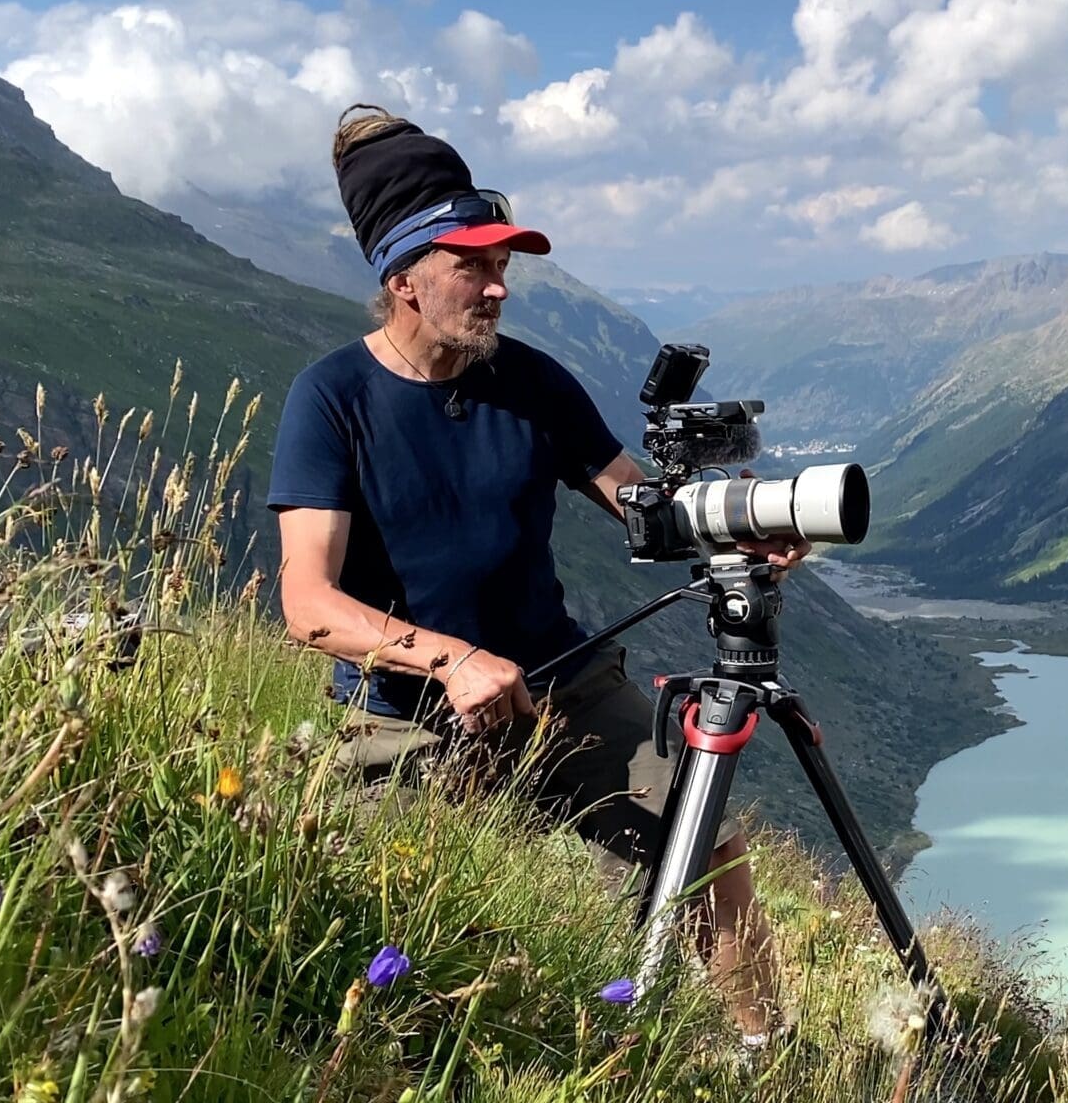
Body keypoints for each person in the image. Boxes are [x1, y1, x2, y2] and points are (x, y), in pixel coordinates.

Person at [266, 104, 800, 1045]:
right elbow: (307, 604)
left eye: (502, 265)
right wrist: (450, 660)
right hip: (403, 720)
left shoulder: (532, 379)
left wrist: (742, 529)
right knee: (408, 933)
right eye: (472, 264)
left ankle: (768, 1057)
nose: (499, 288)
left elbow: (642, 507)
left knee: (705, 839)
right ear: (403, 280)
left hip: (564, 686)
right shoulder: (331, 400)